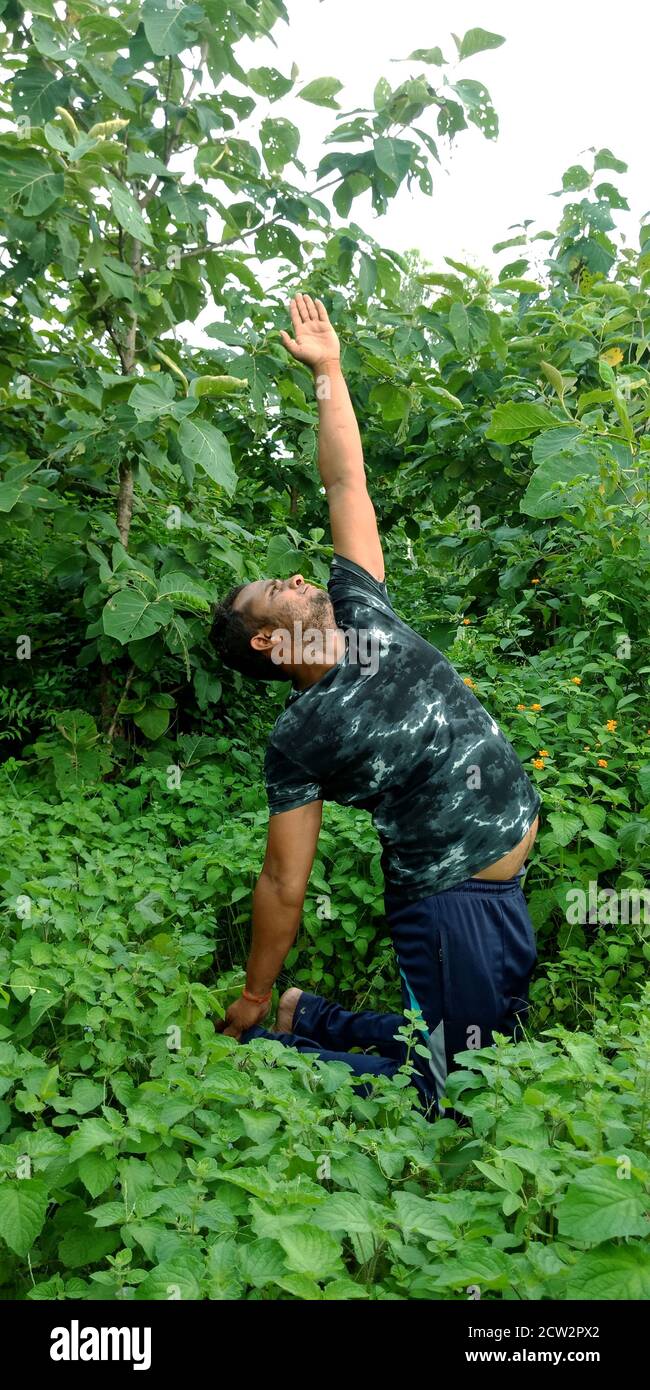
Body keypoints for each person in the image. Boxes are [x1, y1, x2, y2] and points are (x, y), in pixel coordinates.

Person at [210, 293, 541, 1115]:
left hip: (499, 880)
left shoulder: (361, 605)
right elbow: (285, 883)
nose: (294, 578)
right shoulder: (299, 737)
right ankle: (270, 1053)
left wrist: (328, 371)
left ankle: (314, 1015)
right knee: (459, 1093)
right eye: (274, 591)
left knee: (486, 1051)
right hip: (449, 903)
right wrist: (253, 990)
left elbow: (345, 477)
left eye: (288, 574)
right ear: (264, 643)